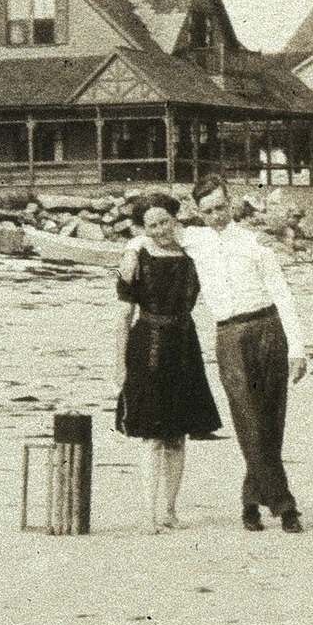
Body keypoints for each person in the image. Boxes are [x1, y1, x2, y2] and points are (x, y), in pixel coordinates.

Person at [123, 176, 311, 532]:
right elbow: (153, 231)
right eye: (207, 211)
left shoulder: (255, 242)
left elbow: (283, 295)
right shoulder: (194, 238)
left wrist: (298, 349)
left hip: (269, 328)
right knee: (246, 420)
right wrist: (132, 249)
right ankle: (284, 504)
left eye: (220, 208)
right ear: (197, 213)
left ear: (232, 203)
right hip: (229, 336)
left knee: (271, 422)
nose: (216, 217)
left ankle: (250, 502)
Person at [113, 194, 224, 533]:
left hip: (185, 346)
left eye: (165, 222)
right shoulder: (137, 256)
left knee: (177, 436)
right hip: (147, 346)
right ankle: (148, 514)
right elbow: (123, 315)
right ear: (142, 229)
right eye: (152, 225)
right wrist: (119, 365)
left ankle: (170, 511)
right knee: (151, 436)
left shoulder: (193, 253)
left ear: (175, 219)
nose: (160, 229)